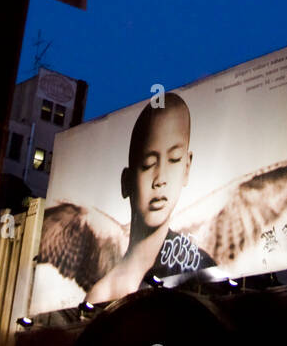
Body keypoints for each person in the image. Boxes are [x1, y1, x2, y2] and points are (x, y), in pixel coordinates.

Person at [87, 93, 214, 303]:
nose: (160, 179)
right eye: (147, 164)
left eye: (174, 159)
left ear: (187, 167)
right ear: (126, 182)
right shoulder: (101, 293)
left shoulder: (200, 267)